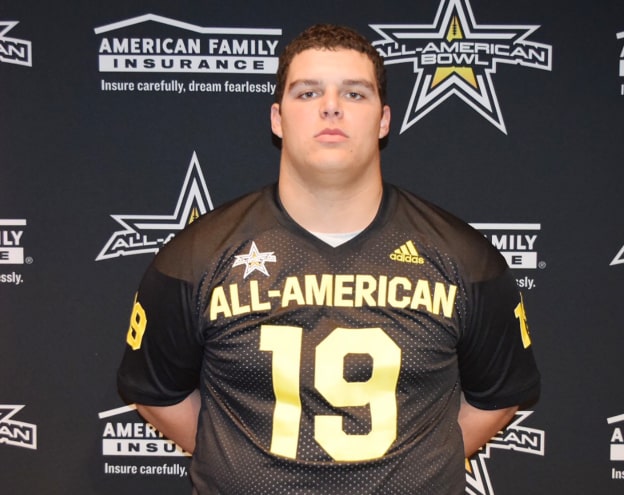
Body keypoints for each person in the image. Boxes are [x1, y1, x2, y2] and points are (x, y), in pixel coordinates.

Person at [117, 23, 540, 494]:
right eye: (307, 92)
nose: (331, 105)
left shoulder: (464, 259)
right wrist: (237, 461)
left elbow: (497, 398)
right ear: (277, 119)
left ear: (384, 120)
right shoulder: (196, 257)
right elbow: (157, 394)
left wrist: (420, 464)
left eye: (355, 94)